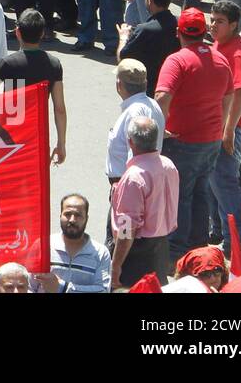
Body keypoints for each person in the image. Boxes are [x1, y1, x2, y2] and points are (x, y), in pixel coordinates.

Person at [155, 7, 233, 262]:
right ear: (204, 31)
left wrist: (159, 130)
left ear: (179, 32)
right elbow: (229, 97)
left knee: (181, 196)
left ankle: (177, 253)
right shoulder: (220, 60)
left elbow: (162, 97)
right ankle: (198, 250)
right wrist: (219, 128)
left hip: (182, 140)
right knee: (201, 192)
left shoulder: (177, 60)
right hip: (210, 141)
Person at [0, 9, 68, 164]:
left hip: (9, 137)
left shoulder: (7, 64)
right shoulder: (54, 64)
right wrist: (61, 143)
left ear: (17, 32)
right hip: (38, 137)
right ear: (42, 34)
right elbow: (60, 108)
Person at [110, 117, 179, 289]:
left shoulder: (134, 178)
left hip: (137, 254)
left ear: (131, 142)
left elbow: (127, 229)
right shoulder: (169, 165)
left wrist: (116, 265)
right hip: (161, 247)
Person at [207, 0, 241, 256]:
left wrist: (228, 130)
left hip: (230, 131)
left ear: (234, 25)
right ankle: (217, 230)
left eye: (220, 21)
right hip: (218, 127)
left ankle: (237, 243)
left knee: (225, 186)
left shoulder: (236, 52)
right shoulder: (219, 44)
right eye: (212, 19)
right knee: (212, 183)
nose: (213, 25)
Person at [106, 58, 165, 186]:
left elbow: (135, 155)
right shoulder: (151, 104)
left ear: (119, 84)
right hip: (144, 179)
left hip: (129, 184)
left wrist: (126, 189)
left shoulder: (134, 113)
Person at [37, 193, 110, 293]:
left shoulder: (100, 253)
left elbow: (103, 290)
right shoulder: (43, 246)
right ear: (60, 216)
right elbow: (28, 286)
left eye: (78, 215)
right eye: (67, 214)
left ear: (86, 218)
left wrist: (63, 287)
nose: (72, 220)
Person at [117, 0, 179, 96]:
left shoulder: (144, 30)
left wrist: (123, 37)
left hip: (149, 93)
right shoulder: (179, 24)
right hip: (174, 89)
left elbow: (123, 59)